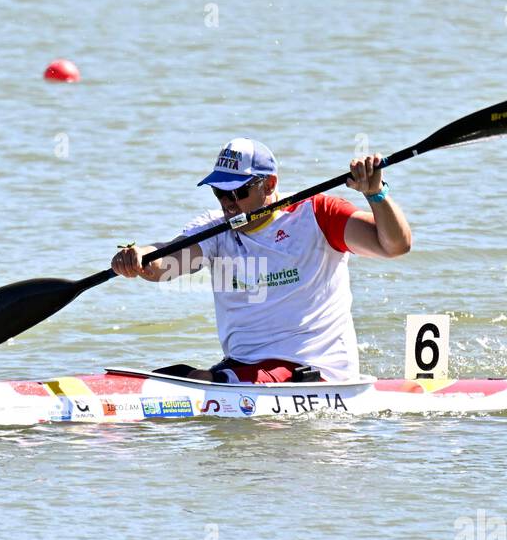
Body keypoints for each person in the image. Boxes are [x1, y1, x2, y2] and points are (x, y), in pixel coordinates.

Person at [110, 137, 412, 382]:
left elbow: (395, 246)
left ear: (268, 185)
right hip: (242, 369)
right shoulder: (216, 229)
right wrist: (141, 258)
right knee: (166, 377)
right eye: (220, 193)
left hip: (312, 369)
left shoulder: (318, 215)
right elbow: (167, 263)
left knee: (201, 380)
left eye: (238, 192)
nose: (228, 204)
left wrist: (376, 195)